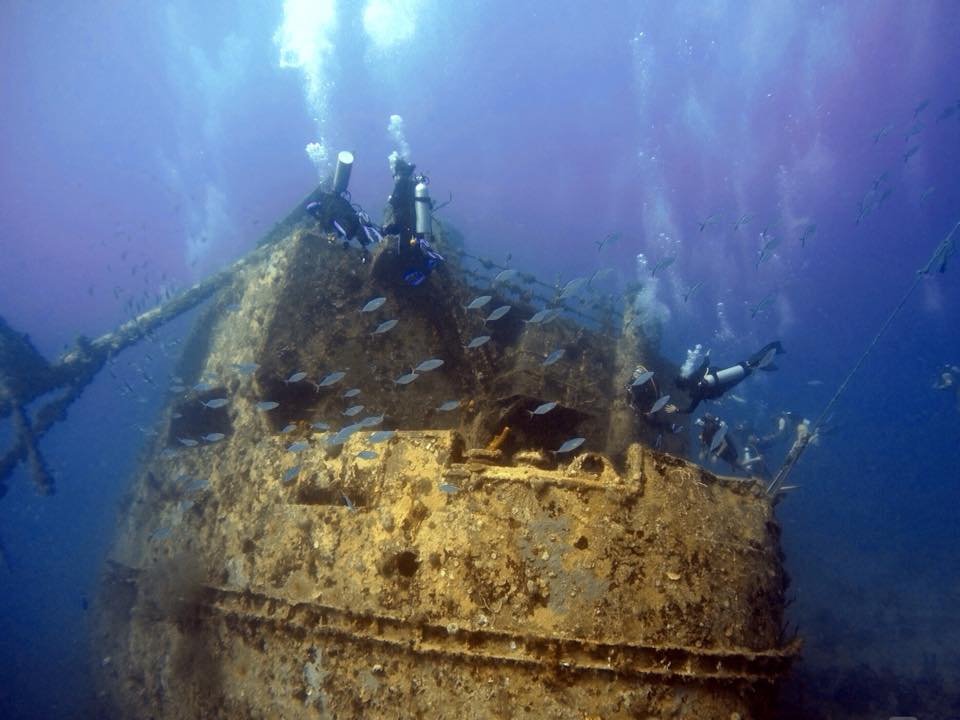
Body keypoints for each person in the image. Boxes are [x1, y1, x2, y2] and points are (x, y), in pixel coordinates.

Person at [675, 341, 784, 414]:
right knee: (746, 365)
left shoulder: (696, 392)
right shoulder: (695, 376)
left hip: (724, 383)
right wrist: (707, 355)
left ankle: (771, 353)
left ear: (683, 388)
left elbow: (690, 410)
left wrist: (677, 410)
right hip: (722, 375)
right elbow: (705, 363)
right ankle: (772, 350)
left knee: (747, 368)